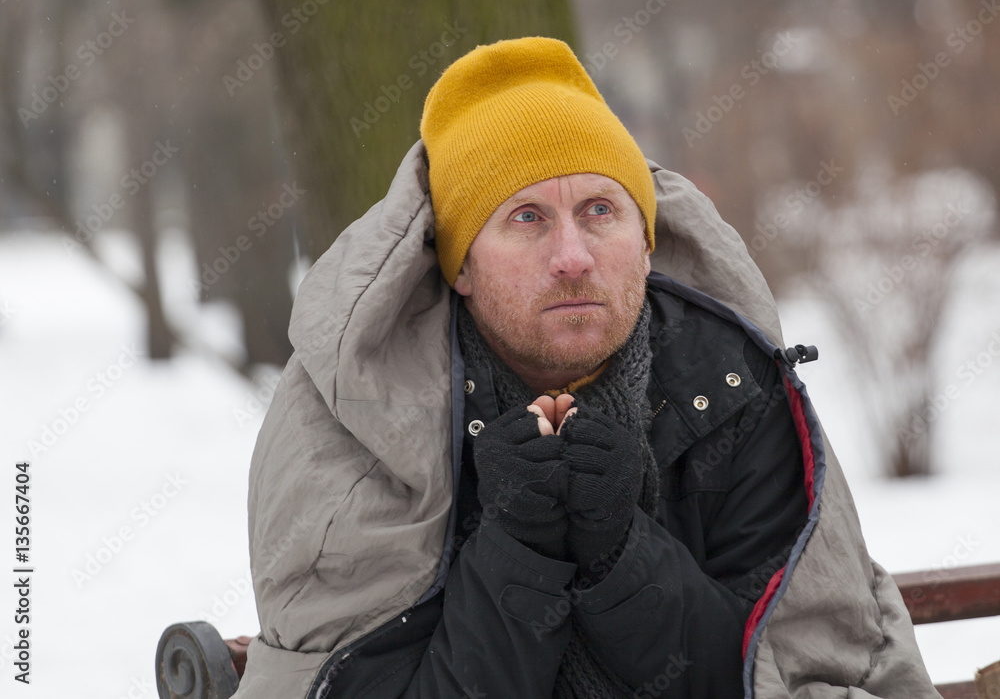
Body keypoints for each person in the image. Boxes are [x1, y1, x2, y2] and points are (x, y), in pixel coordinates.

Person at [232, 37, 939, 698]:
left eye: (601, 210)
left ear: (643, 240)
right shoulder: (357, 420)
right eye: (527, 218)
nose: (573, 256)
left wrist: (625, 553)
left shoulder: (729, 385)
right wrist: (515, 552)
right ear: (462, 267)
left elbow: (800, 673)